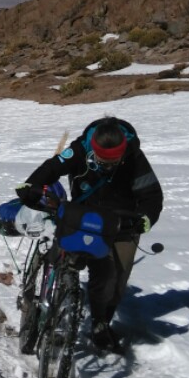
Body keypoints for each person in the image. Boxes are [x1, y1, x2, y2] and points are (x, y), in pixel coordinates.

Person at [17, 118, 162, 351]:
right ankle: (43, 298)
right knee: (60, 258)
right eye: (102, 160)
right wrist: (31, 184)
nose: (106, 166)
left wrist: (145, 218)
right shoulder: (80, 148)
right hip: (82, 216)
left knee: (114, 278)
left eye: (113, 162)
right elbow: (53, 167)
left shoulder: (135, 157)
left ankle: (100, 322)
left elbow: (152, 195)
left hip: (120, 223)